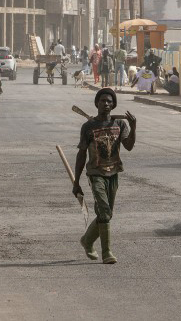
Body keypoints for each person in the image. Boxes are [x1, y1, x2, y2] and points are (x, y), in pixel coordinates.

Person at [73, 88, 136, 264]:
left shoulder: (120, 124)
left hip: (113, 172)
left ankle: (87, 240)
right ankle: (107, 252)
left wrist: (133, 127)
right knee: (104, 210)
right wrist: (76, 182)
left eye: (109, 101)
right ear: (97, 103)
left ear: (113, 105)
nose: (106, 104)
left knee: (106, 214)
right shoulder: (89, 127)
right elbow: (81, 154)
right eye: (103, 101)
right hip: (96, 174)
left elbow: (129, 146)